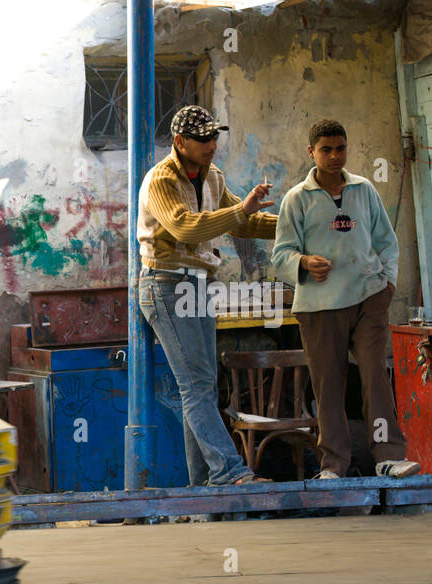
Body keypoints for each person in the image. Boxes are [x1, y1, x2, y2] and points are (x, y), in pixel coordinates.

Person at [137, 105, 278, 485]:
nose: (212, 145)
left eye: (214, 137)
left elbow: (243, 221)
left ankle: (203, 488)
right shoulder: (160, 180)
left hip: (198, 283)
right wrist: (241, 212)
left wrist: (293, 226)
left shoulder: (213, 176)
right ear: (179, 142)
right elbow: (185, 228)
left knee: (201, 387)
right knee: (195, 386)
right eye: (202, 139)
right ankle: (230, 473)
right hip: (165, 284)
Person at [271, 118, 419, 479]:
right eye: (326, 149)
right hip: (320, 307)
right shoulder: (296, 199)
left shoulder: (364, 190)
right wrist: (303, 262)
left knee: (374, 377)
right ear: (312, 152)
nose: (335, 156)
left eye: (340, 148)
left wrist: (387, 285)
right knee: (329, 387)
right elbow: (280, 256)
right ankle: (334, 464)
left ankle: (387, 456)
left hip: (369, 298)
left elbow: (387, 241)